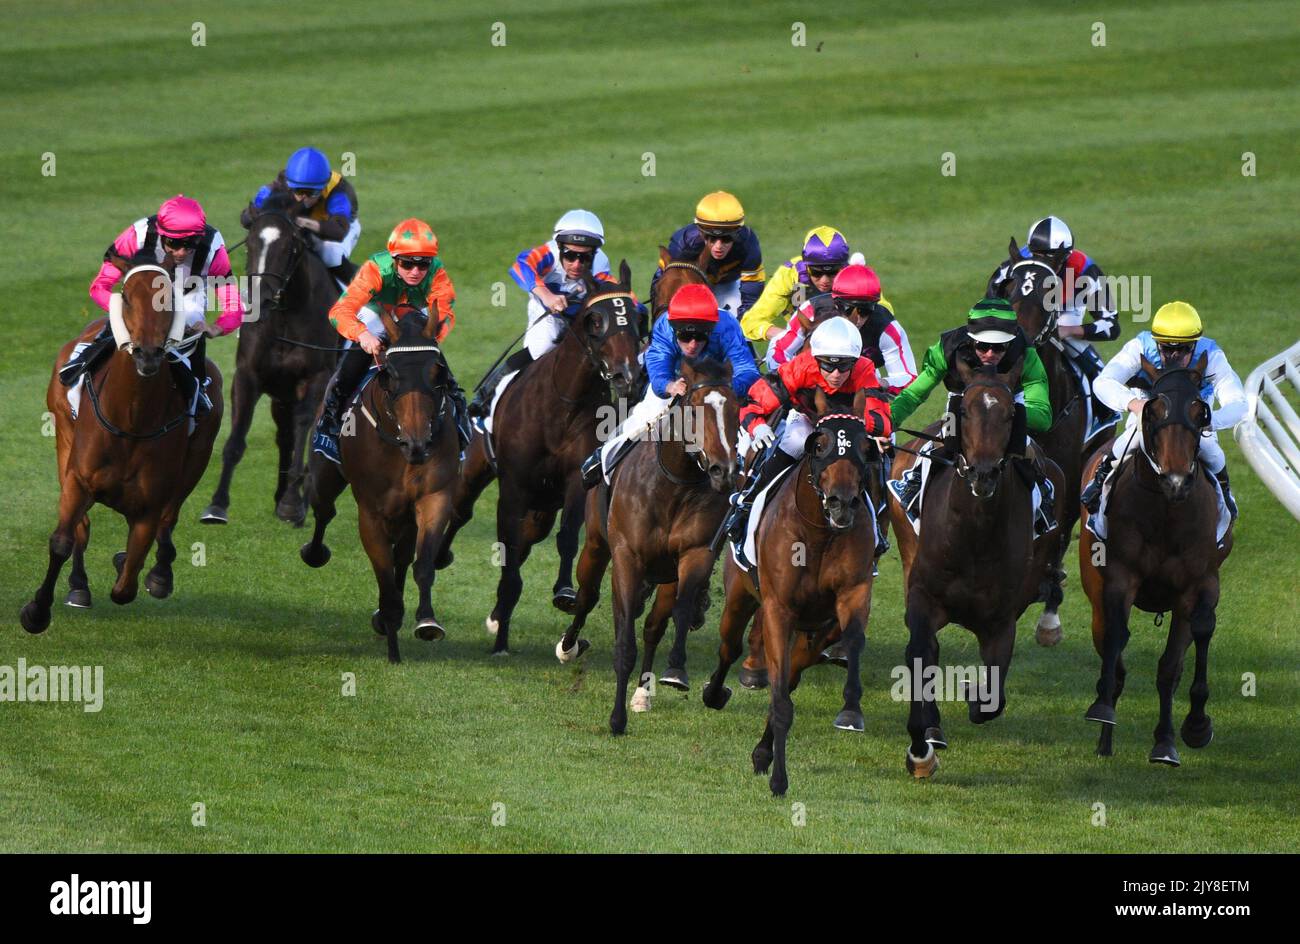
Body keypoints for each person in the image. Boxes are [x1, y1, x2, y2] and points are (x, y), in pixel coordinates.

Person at [723, 317, 892, 568]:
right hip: (809, 422)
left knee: (876, 458)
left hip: (851, 428)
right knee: (795, 441)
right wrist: (756, 426)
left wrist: (867, 432)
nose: (836, 375)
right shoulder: (800, 367)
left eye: (844, 367)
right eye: (828, 366)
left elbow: (880, 415)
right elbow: (754, 402)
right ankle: (747, 504)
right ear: (816, 359)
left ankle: (876, 526)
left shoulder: (865, 369)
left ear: (855, 362)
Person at [62, 194, 244, 416]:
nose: (182, 252)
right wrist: (130, 310)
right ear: (161, 233)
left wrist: (216, 328)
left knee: (188, 323)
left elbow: (233, 304)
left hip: (187, 296)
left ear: (200, 237)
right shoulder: (137, 236)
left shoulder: (213, 247)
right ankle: (81, 366)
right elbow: (100, 286)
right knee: (123, 324)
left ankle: (197, 388)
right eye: (174, 244)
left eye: (191, 244)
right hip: (142, 295)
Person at [312, 218, 467, 464]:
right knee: (352, 365)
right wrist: (363, 335)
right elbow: (339, 311)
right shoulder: (375, 269)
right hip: (378, 312)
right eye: (407, 263)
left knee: (440, 368)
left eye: (423, 264)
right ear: (394, 260)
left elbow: (444, 314)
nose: (415, 271)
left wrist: (424, 341)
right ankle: (330, 421)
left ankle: (459, 421)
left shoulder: (437, 272)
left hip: (414, 315)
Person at [887, 298, 1054, 524]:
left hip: (1008, 404)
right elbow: (914, 394)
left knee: (1024, 447)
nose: (990, 354)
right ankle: (914, 484)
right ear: (970, 338)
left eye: (999, 347)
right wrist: (887, 420)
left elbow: (1042, 416)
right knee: (943, 440)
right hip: (961, 400)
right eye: (982, 346)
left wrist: (1004, 413)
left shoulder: (1026, 352)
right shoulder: (947, 347)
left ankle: (1042, 495)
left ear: (1011, 341)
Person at [580, 283, 759, 487]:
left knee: (748, 428)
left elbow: (747, 369)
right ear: (674, 329)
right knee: (643, 419)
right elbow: (658, 366)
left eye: (700, 336)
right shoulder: (665, 325)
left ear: (710, 330)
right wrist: (668, 386)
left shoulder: (727, 325)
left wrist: (726, 389)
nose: (693, 344)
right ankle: (604, 457)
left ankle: (750, 481)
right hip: (676, 381)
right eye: (685, 337)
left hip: (719, 387)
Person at [1083, 300, 1244, 519]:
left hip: (1192, 414)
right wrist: (1134, 404)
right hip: (1150, 408)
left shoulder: (1212, 355)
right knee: (1132, 438)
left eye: (1183, 349)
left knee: (1211, 451)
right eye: (1167, 349)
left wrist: (1208, 420)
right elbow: (1103, 382)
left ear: (1195, 344)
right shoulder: (1140, 347)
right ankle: (1101, 478)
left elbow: (1238, 403)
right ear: (1156, 343)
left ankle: (1224, 493)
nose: (1174, 356)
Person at [467, 209, 618, 419]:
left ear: (594, 254)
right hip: (546, 309)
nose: (577, 264)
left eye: (585, 258)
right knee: (542, 347)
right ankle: (484, 397)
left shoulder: (601, 264)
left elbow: (613, 290)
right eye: (570, 255)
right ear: (560, 247)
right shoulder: (548, 253)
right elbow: (520, 266)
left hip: (579, 313)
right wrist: (547, 296)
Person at [987, 215, 1120, 430]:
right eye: (1036, 255)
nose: (1041, 263)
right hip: (1024, 318)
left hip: (1066, 313)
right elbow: (988, 306)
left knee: (1095, 367)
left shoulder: (1085, 270)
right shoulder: (1012, 267)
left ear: (1066, 256)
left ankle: (1104, 412)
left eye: (1049, 259)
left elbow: (1111, 325)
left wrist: (1069, 330)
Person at [766, 263, 917, 393]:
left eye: (865, 311)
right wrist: (788, 381)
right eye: (849, 309)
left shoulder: (887, 327)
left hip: (859, 386)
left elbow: (909, 378)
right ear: (837, 304)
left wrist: (881, 384)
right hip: (810, 385)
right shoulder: (810, 311)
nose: (857, 318)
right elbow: (779, 348)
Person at [739, 226, 887, 346]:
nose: (824, 281)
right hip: (804, 346)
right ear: (806, 266)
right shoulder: (790, 276)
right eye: (816, 272)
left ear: (843, 267)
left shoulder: (855, 278)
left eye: (833, 273)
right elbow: (751, 322)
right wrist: (789, 337)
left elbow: (885, 315)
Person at [240, 146, 361, 287]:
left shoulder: (338, 191)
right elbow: (246, 218)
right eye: (298, 191)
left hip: (337, 226)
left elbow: (338, 231)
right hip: (296, 221)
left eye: (311, 193)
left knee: (330, 253)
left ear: (323, 187)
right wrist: (260, 217)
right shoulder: (279, 185)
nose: (303, 198)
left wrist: (302, 222)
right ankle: (253, 293)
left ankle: (362, 288)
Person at [647, 191, 765, 317]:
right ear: (701, 233)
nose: (718, 246)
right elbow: (662, 286)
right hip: (692, 287)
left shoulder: (748, 244)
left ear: (737, 234)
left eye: (727, 238)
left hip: (728, 284)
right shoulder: (682, 244)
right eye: (711, 238)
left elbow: (751, 293)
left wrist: (743, 321)